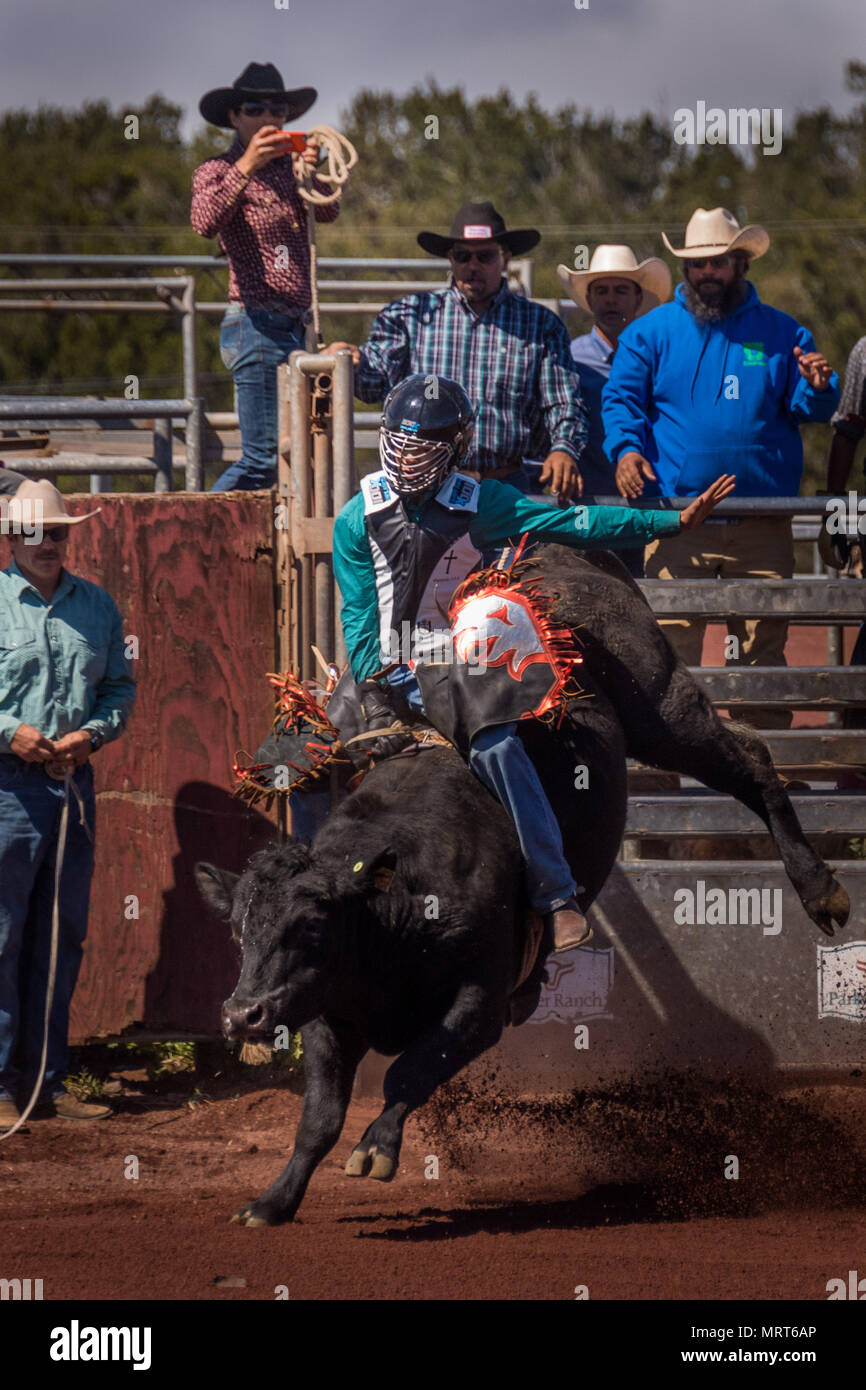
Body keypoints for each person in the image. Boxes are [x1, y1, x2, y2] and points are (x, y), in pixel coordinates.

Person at [332, 375, 734, 961]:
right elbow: (358, 614)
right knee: (304, 752)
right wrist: (371, 689)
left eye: (422, 448)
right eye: (400, 443)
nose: (407, 457)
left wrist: (667, 524)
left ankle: (555, 894)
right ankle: (318, 904)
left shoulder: (483, 503)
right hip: (378, 667)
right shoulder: (356, 517)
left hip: (449, 658)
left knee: (495, 746)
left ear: (455, 448)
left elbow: (574, 524)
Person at [602, 207, 840, 730]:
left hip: (761, 523)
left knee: (761, 654)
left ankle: (765, 777)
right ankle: (664, 778)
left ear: (740, 264)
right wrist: (625, 450)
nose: (707, 273)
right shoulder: (651, 333)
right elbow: (620, 399)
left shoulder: (783, 332)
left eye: (718, 263)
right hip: (676, 519)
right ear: (685, 269)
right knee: (670, 651)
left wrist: (820, 387)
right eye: (697, 264)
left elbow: (810, 407)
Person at [0, 481, 136, 1131]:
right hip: (7, 788)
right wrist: (9, 732)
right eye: (34, 533)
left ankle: (46, 1083)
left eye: (57, 532)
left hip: (70, 787)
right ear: (12, 538)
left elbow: (118, 688)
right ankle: (4, 1085)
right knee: (3, 937)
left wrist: (95, 733)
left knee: (59, 940)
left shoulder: (98, 608)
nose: (47, 543)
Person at [328, 200, 587, 501]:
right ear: (450, 260)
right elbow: (375, 383)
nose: (472, 266)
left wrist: (563, 448)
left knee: (520, 548)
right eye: (462, 256)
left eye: (485, 256)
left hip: (506, 487)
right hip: (425, 486)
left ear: (505, 258)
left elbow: (565, 400)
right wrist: (350, 363)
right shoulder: (410, 315)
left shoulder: (541, 325)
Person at [191, 62, 339, 492]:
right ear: (234, 117)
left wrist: (315, 167)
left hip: (293, 327)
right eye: (254, 108)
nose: (268, 117)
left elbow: (327, 210)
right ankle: (200, 530)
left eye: (277, 109)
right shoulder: (216, 170)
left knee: (294, 457)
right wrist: (247, 166)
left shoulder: (293, 170)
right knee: (263, 460)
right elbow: (203, 221)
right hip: (255, 324)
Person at [557, 245, 671, 575]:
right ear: (589, 300)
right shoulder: (571, 360)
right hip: (587, 510)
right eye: (602, 291)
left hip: (647, 507)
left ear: (637, 298)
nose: (611, 300)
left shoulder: (660, 358)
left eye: (621, 290)